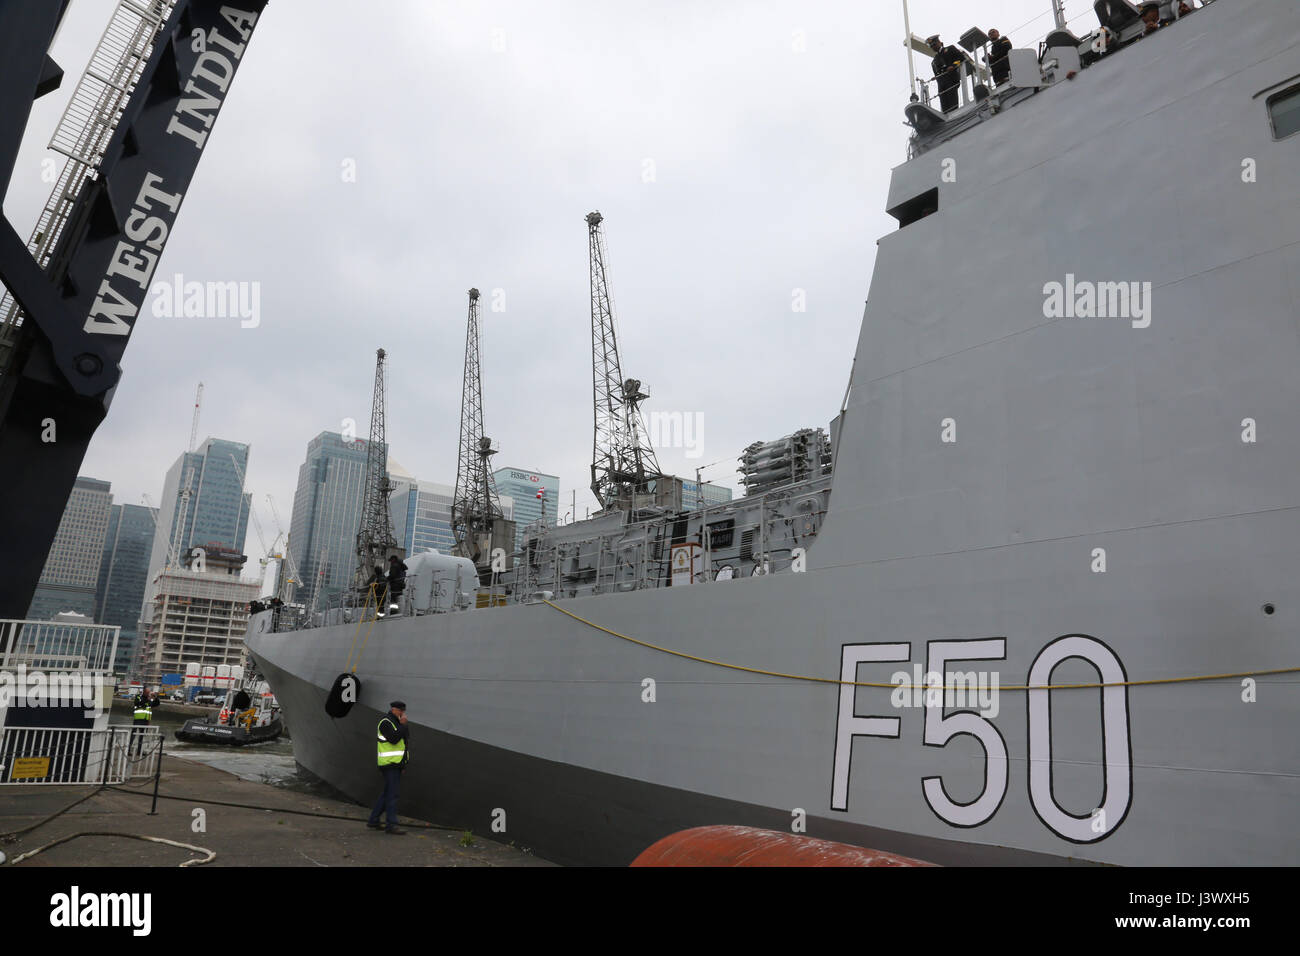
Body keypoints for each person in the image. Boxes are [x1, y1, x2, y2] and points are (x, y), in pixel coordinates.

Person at [368, 701, 410, 834]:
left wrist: (403, 764)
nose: (402, 713)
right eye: (400, 711)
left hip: (396, 764)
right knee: (392, 795)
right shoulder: (385, 722)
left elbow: (405, 741)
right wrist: (403, 725)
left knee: (387, 794)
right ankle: (391, 825)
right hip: (388, 764)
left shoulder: (397, 723)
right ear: (393, 709)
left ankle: (373, 820)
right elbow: (393, 739)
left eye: (403, 711)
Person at [928, 35, 967, 113]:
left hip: (951, 80)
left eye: (934, 44)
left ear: (940, 43)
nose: (933, 47)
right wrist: (936, 77)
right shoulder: (934, 61)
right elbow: (937, 73)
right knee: (944, 107)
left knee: (953, 104)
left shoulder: (950, 49)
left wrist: (953, 65)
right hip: (941, 84)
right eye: (931, 46)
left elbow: (961, 58)